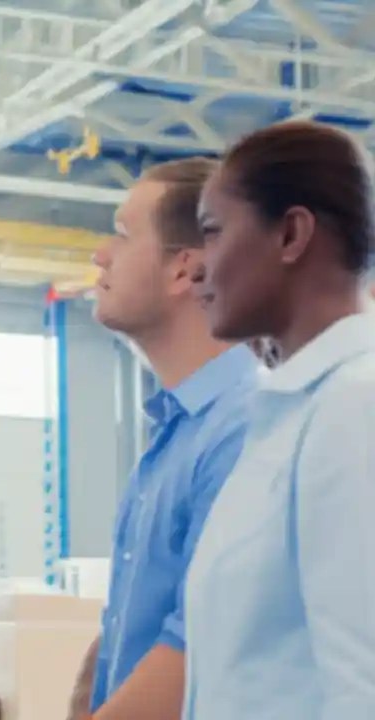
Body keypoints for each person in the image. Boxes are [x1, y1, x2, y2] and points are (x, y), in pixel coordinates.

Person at [184, 120, 375, 718]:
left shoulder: (354, 404)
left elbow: (363, 683)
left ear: (291, 233)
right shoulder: (291, 412)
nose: (196, 269)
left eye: (213, 233)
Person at [66, 158, 258, 720]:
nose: (101, 253)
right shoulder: (175, 433)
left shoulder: (242, 430)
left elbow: (193, 648)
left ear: (186, 272)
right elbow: (132, 625)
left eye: (123, 235)